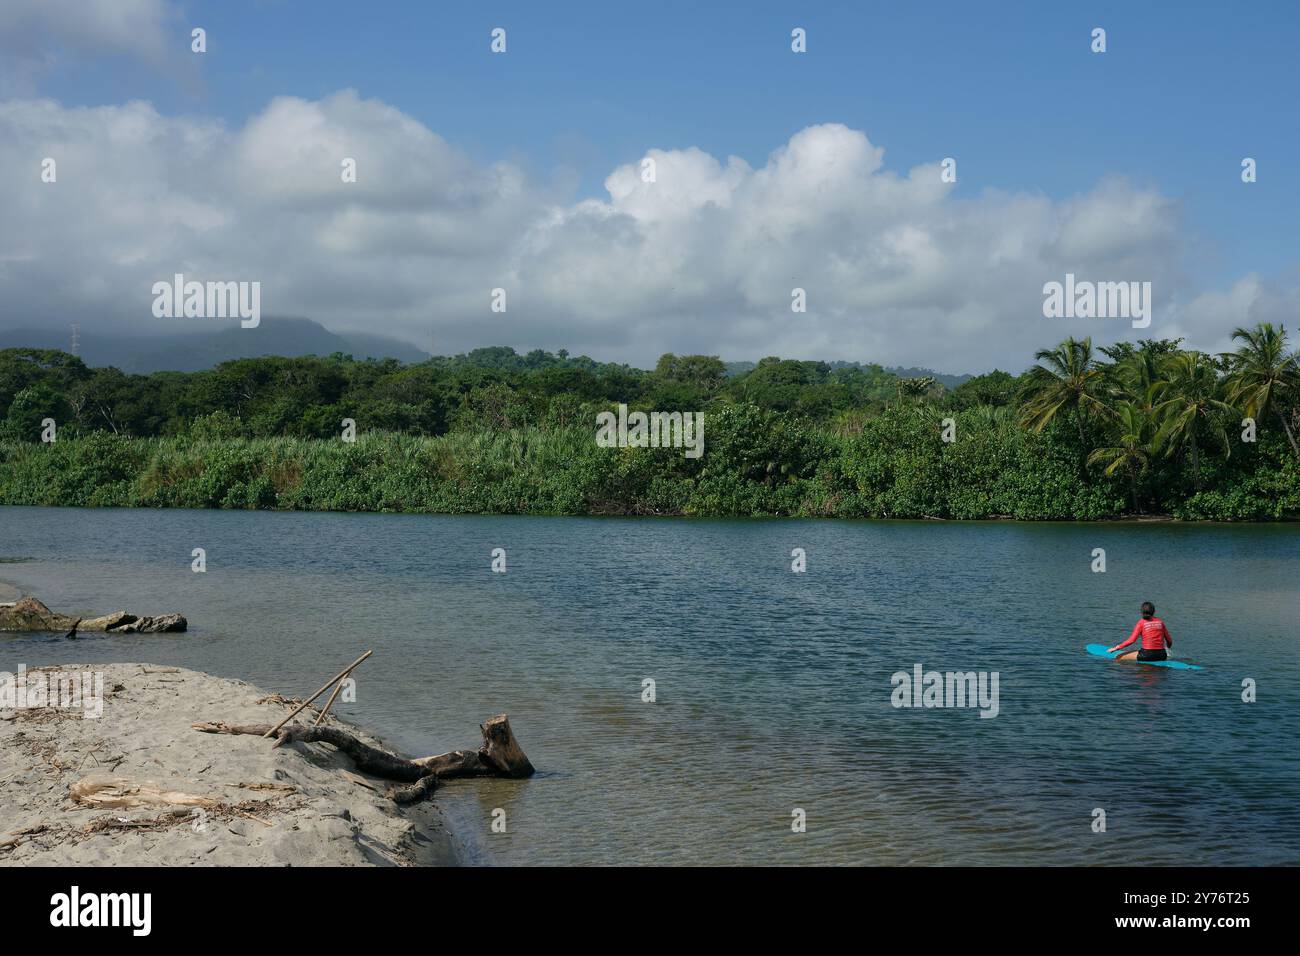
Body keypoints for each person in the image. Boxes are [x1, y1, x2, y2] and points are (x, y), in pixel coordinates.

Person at [1108, 602, 1173, 661]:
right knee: (1137, 651)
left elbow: (1131, 640)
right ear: (1154, 611)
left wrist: (1117, 648)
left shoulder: (1141, 623)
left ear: (1142, 612)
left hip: (1146, 655)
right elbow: (1169, 641)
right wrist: (1167, 649)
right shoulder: (1160, 622)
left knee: (1118, 657)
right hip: (1162, 655)